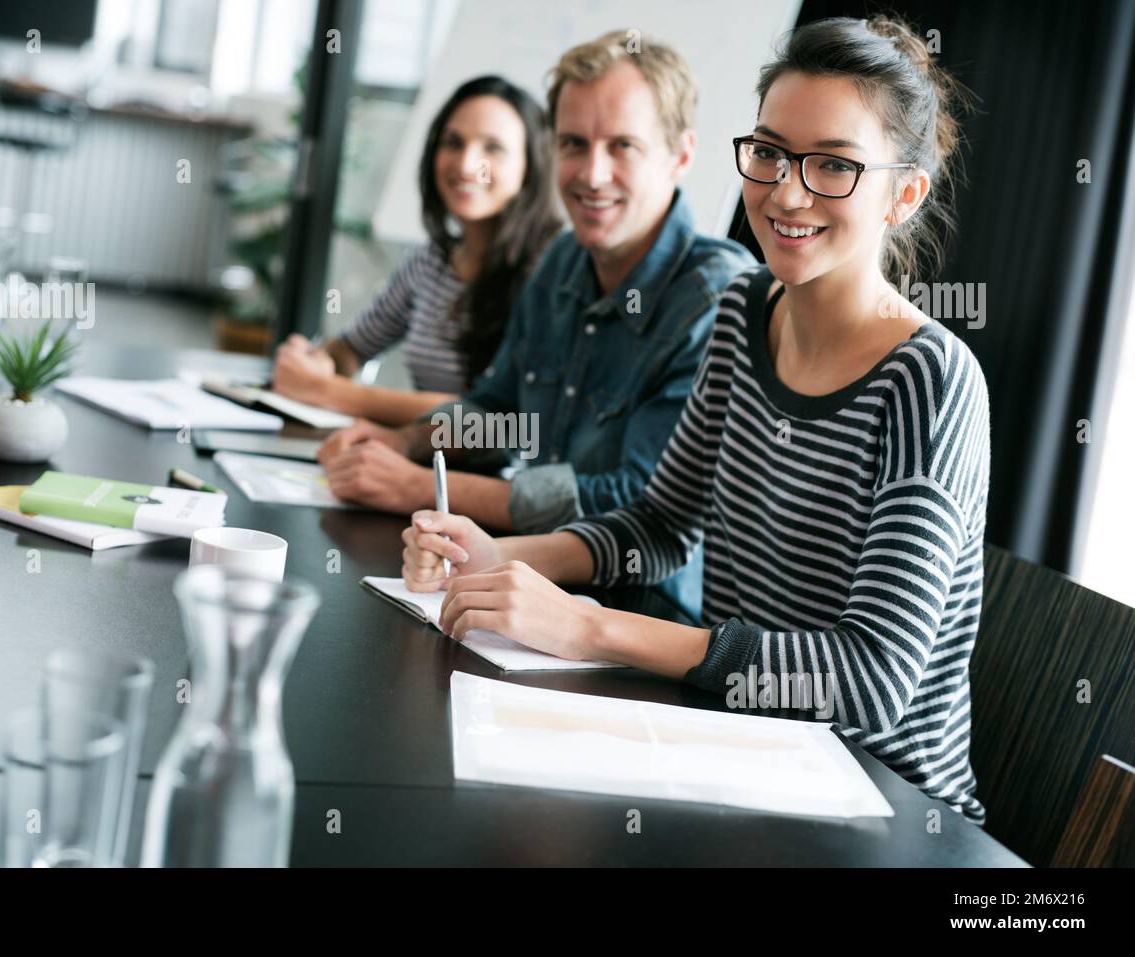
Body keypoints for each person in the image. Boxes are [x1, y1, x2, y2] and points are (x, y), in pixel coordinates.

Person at [399, 16, 990, 822]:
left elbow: (871, 679)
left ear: (904, 193)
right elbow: (657, 524)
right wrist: (499, 556)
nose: (786, 191)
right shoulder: (745, 308)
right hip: (741, 751)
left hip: (884, 805)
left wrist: (591, 627)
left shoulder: (930, 378)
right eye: (772, 152)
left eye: (834, 166)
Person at [321, 31, 754, 621]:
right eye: (574, 143)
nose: (592, 173)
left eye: (622, 145)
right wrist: (404, 441)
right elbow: (500, 413)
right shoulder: (562, 261)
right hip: (525, 592)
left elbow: (636, 500)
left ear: (680, 154)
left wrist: (414, 486)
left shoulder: (715, 295)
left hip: (645, 620)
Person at [271, 75, 562, 426]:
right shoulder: (431, 262)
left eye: (493, 148)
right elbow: (351, 348)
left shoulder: (554, 271)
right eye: (453, 143)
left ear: (531, 165)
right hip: (417, 461)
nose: (468, 164)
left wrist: (327, 390)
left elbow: (496, 420)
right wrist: (314, 363)